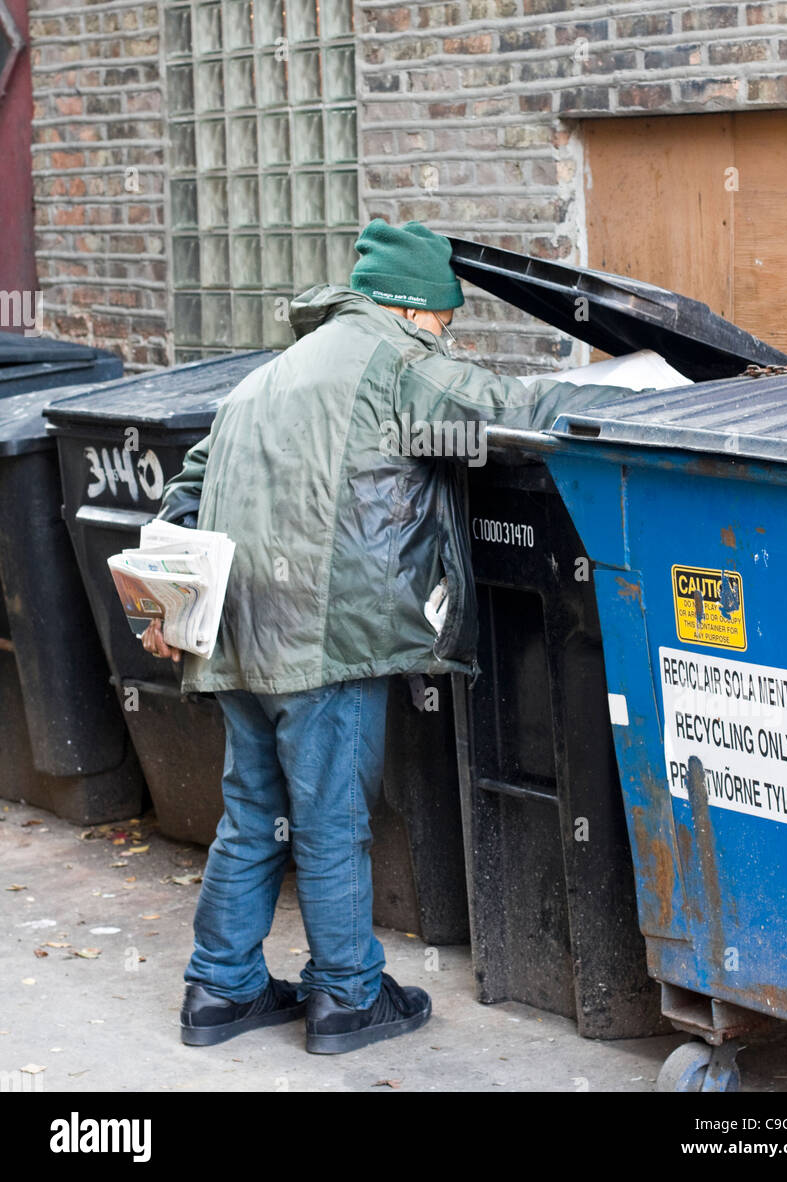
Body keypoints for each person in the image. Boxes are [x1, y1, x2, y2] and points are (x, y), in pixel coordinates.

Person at [141, 219, 632, 1055]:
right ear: (414, 309)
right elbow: (512, 408)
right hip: (322, 634)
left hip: (234, 630)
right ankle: (345, 997)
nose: (447, 337)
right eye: (446, 323)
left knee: (253, 814)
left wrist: (160, 604)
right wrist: (651, 398)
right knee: (330, 816)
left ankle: (218, 990)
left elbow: (188, 485)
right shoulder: (395, 362)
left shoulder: (266, 377)